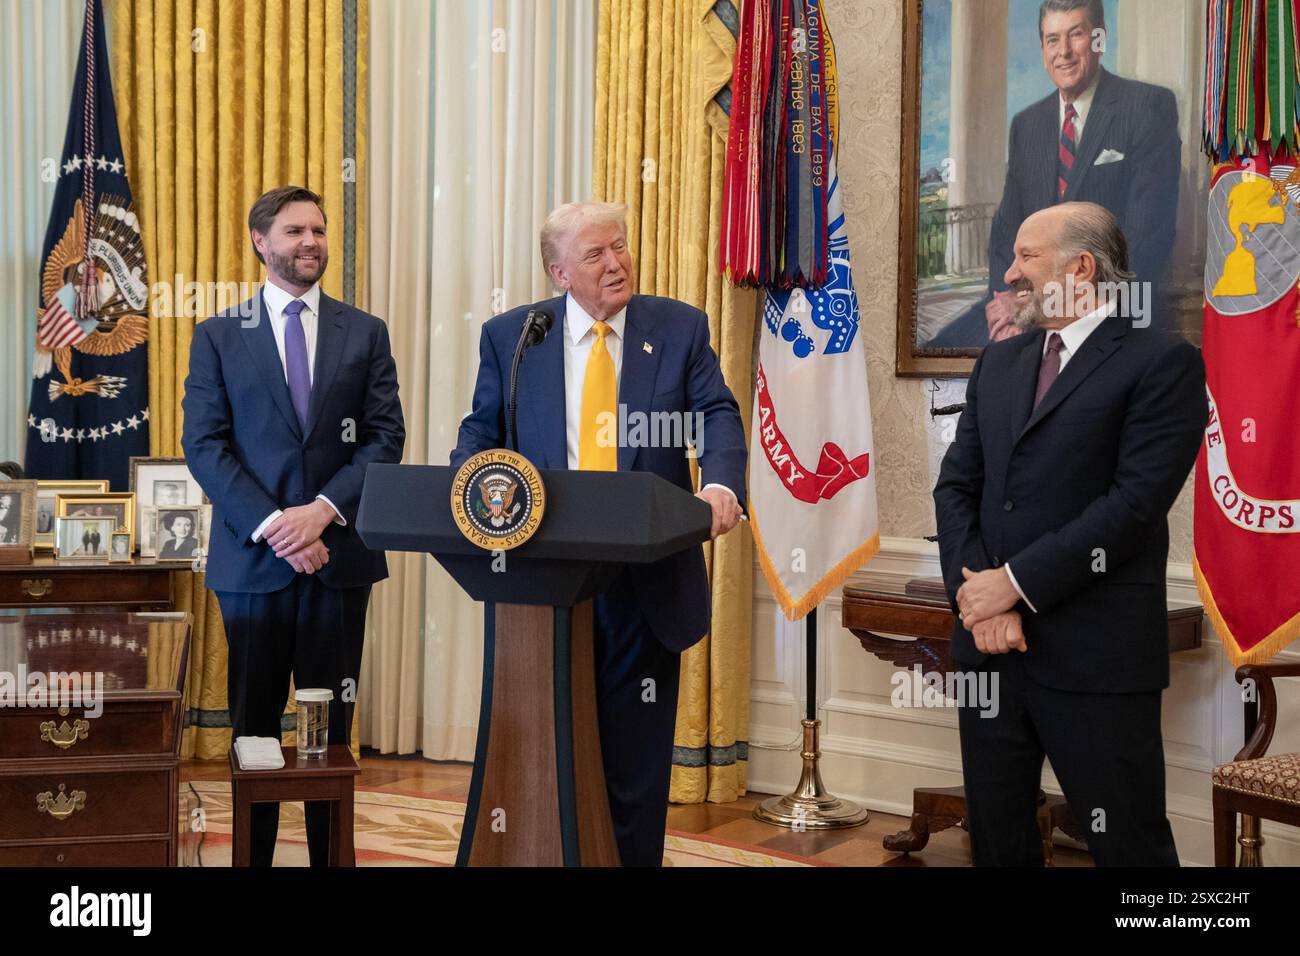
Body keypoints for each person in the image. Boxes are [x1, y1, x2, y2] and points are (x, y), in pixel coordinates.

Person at [451, 200, 747, 866]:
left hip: (644, 580)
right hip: (542, 580)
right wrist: (467, 482)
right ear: (559, 272)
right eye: (595, 254)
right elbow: (481, 433)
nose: (616, 263)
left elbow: (717, 415)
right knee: (545, 754)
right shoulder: (514, 337)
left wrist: (721, 485)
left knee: (633, 764)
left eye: (620, 247)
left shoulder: (677, 328)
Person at [933, 202, 1207, 866]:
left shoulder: (1162, 361)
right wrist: (980, 599)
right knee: (997, 842)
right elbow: (956, 488)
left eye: (1027, 256)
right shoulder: (998, 365)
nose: (1010, 272)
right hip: (992, 653)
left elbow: (1132, 507)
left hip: (1095, 657)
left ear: (1080, 266)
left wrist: (1014, 587)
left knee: (1128, 847)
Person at [181, 185, 405, 867]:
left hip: (340, 561)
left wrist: (321, 514)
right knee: (253, 728)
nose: (310, 241)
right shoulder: (219, 335)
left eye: (319, 229)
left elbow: (384, 436)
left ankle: (326, 860)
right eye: (294, 230)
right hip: (253, 566)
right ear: (261, 242)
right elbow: (206, 445)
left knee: (329, 730)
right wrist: (279, 526)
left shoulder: (364, 331)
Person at [928, 0, 1180, 348]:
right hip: (1030, 304)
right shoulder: (1026, 125)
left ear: (1098, 40)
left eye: (1076, 35)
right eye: (1052, 39)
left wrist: (1050, 305)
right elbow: (1006, 231)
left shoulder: (1147, 108)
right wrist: (1009, 299)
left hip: (1110, 310)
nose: (1064, 52)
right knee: (941, 346)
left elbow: (1147, 236)